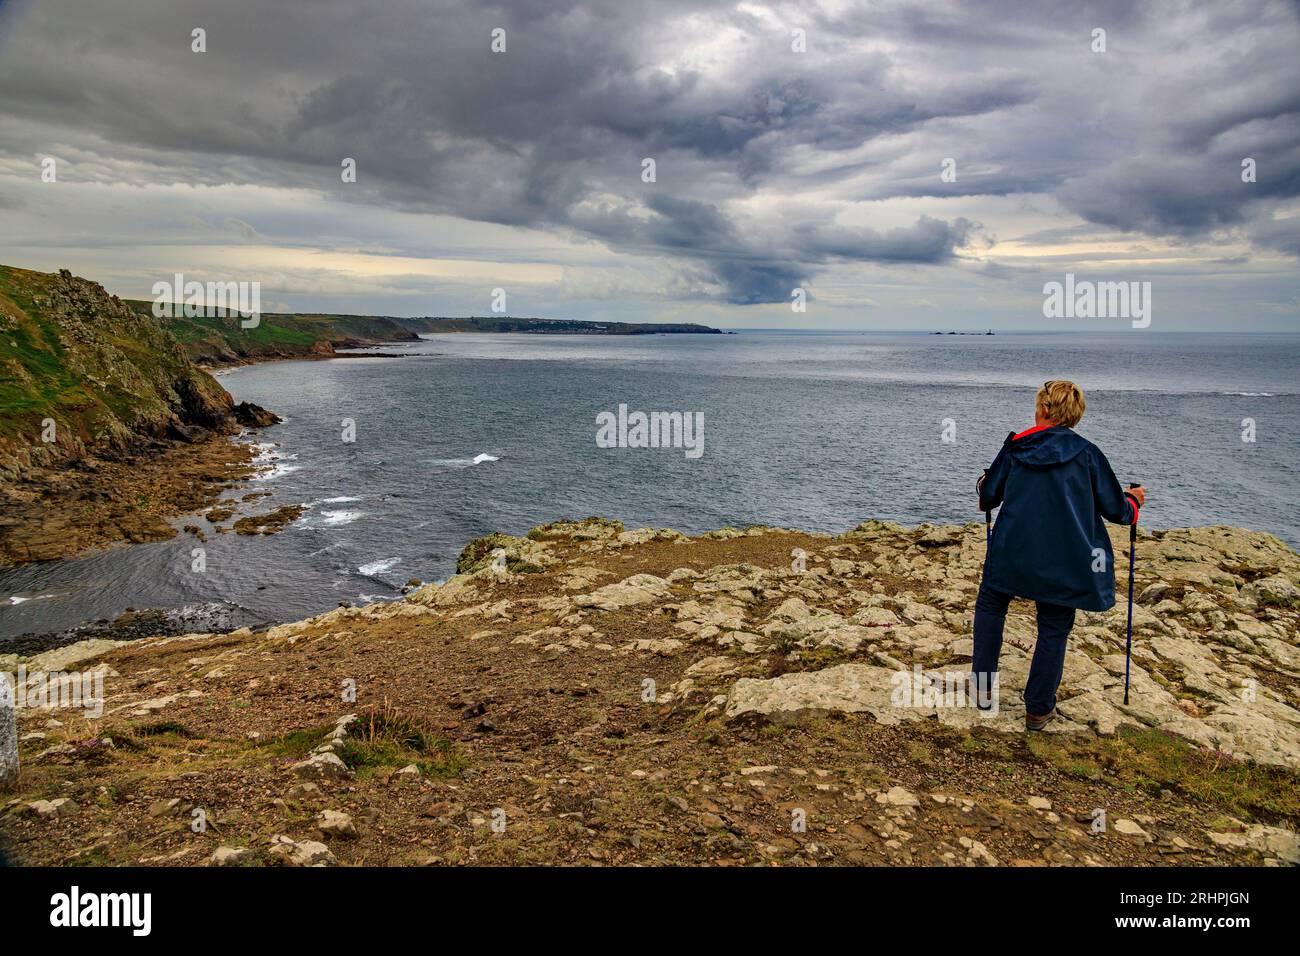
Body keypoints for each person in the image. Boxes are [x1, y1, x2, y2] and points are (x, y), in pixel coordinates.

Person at [973, 380, 1145, 730]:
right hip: (1064, 561)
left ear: (1046, 411)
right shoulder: (1088, 454)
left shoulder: (1017, 448)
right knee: (1053, 626)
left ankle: (982, 691)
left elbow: (989, 495)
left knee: (992, 606)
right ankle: (1038, 708)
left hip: (1012, 552)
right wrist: (1134, 500)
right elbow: (1117, 511)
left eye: (1037, 405)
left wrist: (982, 482)